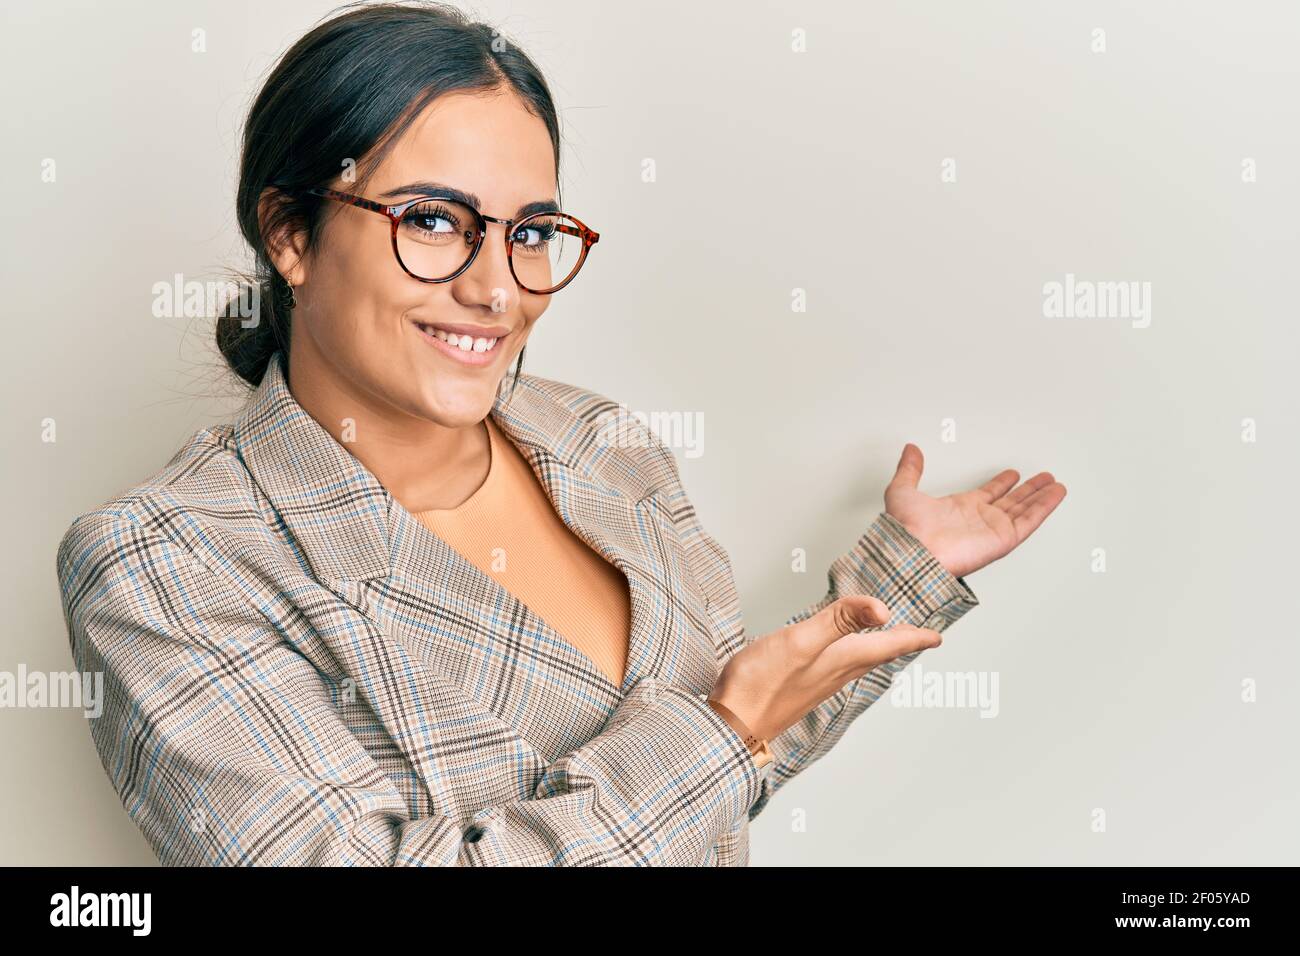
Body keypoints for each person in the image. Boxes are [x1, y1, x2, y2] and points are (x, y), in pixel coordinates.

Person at [55, 1, 1066, 866]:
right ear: (289, 232)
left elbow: (718, 773)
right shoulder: (167, 563)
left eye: (529, 231)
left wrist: (902, 573)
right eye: (433, 220)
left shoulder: (594, 437)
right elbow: (713, 743)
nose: (496, 288)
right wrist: (724, 731)